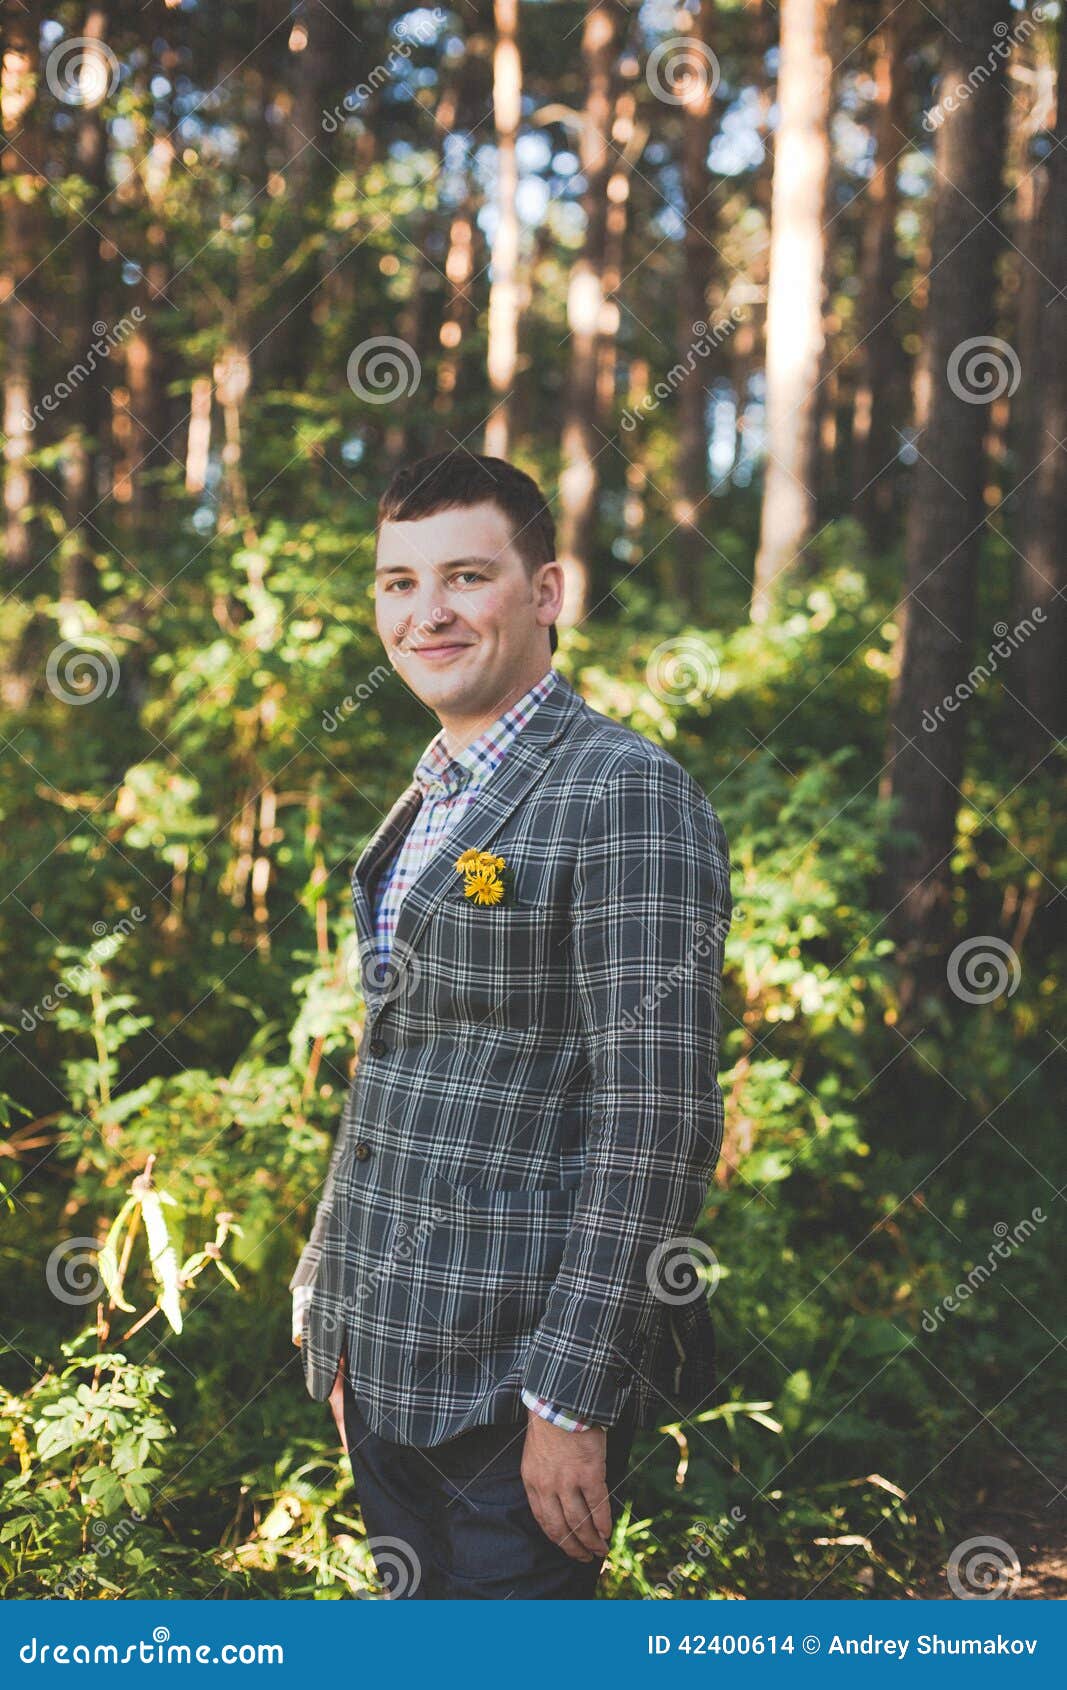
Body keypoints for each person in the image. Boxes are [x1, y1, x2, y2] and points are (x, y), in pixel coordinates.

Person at [290, 449, 732, 1599]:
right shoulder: (436, 787)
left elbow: (656, 1116)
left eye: (465, 577)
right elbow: (397, 1069)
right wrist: (329, 1316)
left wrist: (570, 1399)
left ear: (546, 593)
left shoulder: (621, 791)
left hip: (512, 1391)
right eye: (396, 582)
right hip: (381, 1364)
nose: (424, 613)